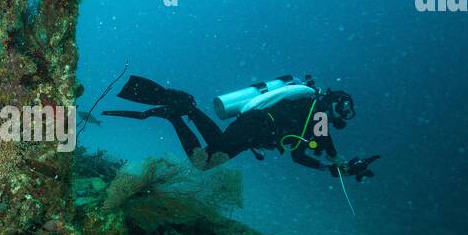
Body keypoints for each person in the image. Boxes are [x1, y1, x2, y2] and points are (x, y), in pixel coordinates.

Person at [104, 74, 379, 180]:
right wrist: (340, 163)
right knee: (203, 161)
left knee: (204, 162)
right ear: (332, 104)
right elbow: (327, 144)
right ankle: (178, 113)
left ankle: (181, 111)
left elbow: (298, 156)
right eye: (339, 112)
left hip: (253, 135)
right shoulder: (316, 110)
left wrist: (327, 167)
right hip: (256, 125)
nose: (335, 119)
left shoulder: (314, 117)